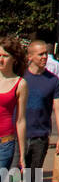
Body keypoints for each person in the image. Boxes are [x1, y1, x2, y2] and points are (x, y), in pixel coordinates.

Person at [25, 39, 59, 176]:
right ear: (30, 56)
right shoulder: (21, 76)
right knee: (13, 179)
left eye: (46, 54)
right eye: (40, 54)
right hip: (18, 136)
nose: (44, 57)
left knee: (34, 179)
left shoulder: (53, 80)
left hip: (40, 136)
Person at [0, 37, 28, 171]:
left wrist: (22, 154)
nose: (1, 59)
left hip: (5, 144)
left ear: (14, 59)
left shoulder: (20, 83)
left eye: (5, 56)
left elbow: (20, 120)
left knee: (11, 180)